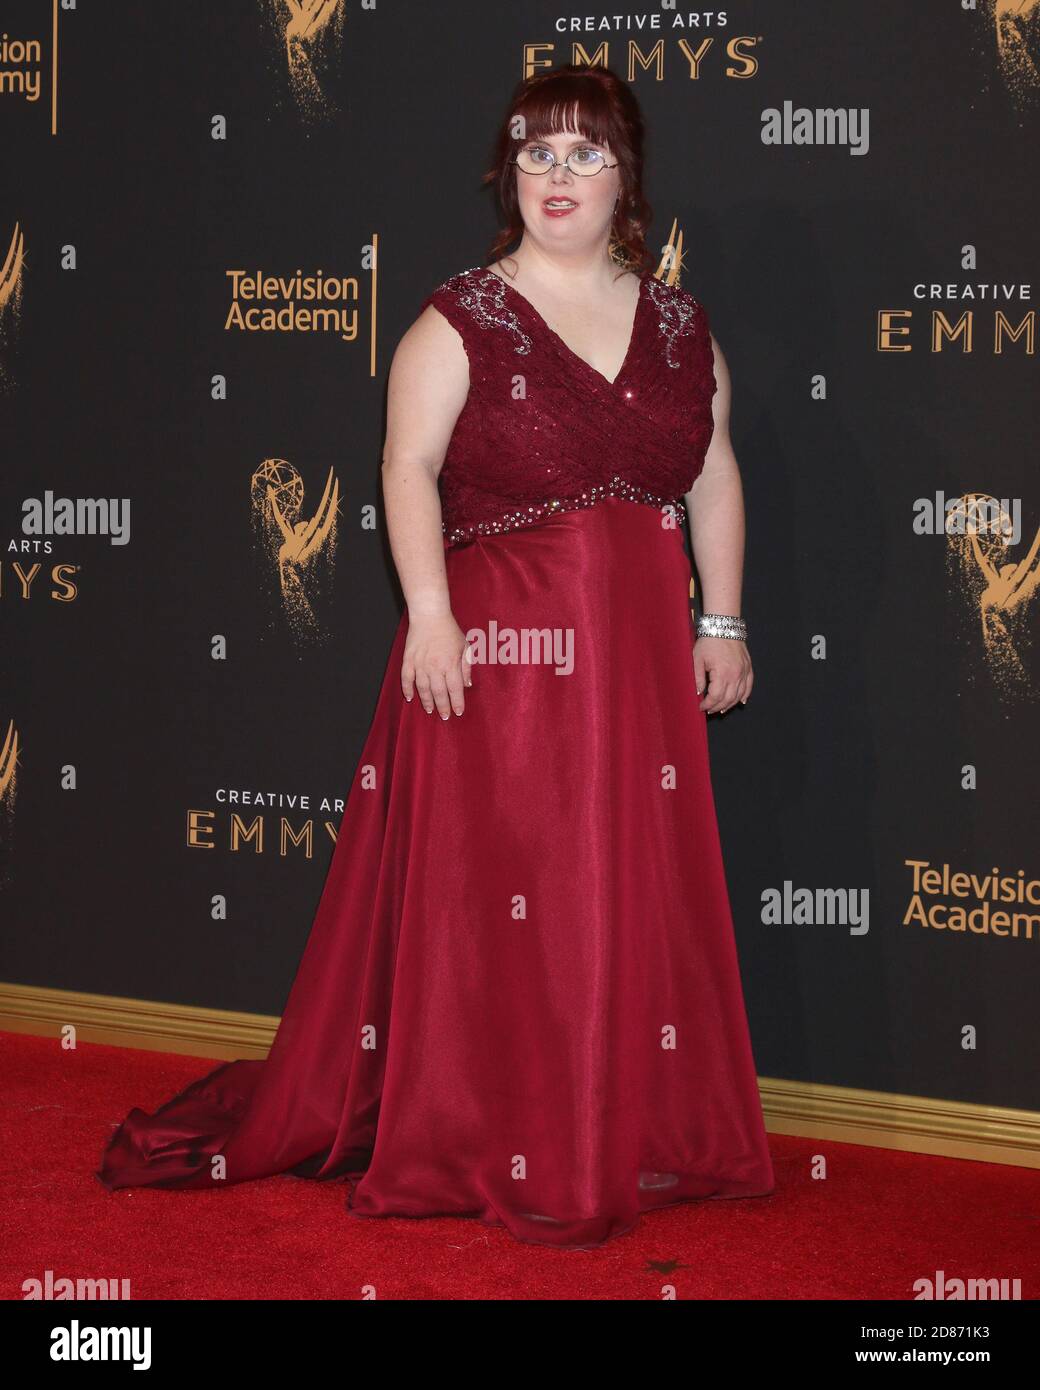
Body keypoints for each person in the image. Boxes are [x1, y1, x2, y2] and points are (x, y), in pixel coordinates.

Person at [97, 64, 775, 1250]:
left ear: (627, 177)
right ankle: (490, 1130)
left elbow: (710, 470)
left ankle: (627, 1126)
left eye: (583, 153)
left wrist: (719, 617)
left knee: (620, 895)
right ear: (505, 174)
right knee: (515, 907)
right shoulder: (460, 315)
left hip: (637, 674)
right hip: (501, 664)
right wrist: (428, 614)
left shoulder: (679, 325)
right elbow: (403, 465)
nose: (556, 175)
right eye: (534, 153)